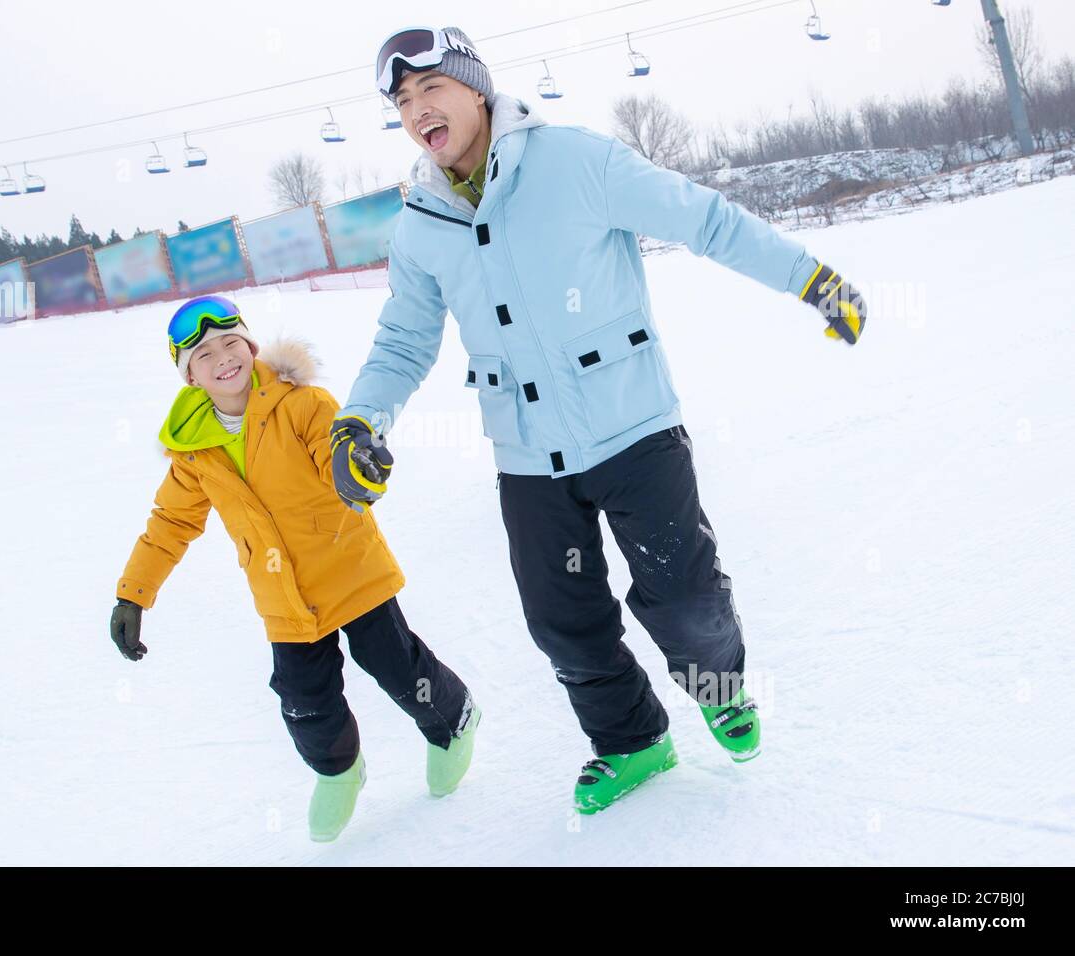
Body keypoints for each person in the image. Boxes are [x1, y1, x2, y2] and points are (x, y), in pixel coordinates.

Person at [327, 27, 867, 814]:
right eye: (403, 102)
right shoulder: (421, 225)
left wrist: (811, 279)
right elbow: (405, 339)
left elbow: (704, 220)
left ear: (477, 88)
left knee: (685, 598)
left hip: (633, 426)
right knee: (563, 621)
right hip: (527, 455)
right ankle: (632, 742)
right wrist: (359, 419)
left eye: (432, 89)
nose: (418, 111)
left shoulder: (575, 161)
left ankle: (718, 688)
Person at [109, 294, 480, 840]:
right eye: (204, 353)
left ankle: (453, 722)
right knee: (303, 699)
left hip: (349, 568)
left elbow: (340, 460)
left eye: (231, 342)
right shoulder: (194, 451)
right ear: (190, 376)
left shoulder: (302, 404)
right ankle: (338, 773)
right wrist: (133, 594)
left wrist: (359, 470)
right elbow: (170, 524)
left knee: (396, 666)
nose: (223, 358)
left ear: (251, 345)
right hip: (283, 597)